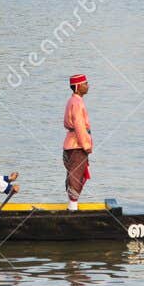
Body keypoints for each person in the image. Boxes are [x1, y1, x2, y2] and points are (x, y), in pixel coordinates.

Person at [63, 74, 93, 210]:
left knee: (74, 174)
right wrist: (86, 145)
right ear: (78, 86)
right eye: (85, 84)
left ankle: (72, 205)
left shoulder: (72, 100)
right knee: (76, 175)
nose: (88, 86)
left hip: (70, 143)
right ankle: (73, 208)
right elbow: (79, 125)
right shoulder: (77, 102)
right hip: (77, 144)